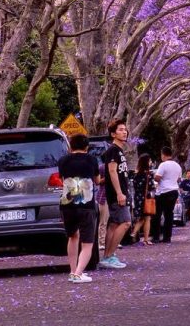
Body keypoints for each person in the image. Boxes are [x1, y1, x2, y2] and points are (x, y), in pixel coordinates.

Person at [58, 134, 101, 284]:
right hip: (86, 204)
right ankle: (78, 273)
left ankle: (72, 270)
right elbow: (96, 180)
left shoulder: (63, 160)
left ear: (70, 145)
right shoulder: (91, 159)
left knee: (72, 236)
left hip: (67, 204)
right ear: (86, 146)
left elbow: (62, 179)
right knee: (87, 242)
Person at [101, 118, 131, 268]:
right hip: (117, 194)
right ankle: (109, 256)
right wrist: (120, 193)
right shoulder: (113, 150)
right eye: (120, 130)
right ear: (113, 134)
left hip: (120, 192)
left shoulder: (119, 151)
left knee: (113, 225)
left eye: (125, 129)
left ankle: (107, 257)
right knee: (125, 223)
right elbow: (112, 171)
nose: (124, 132)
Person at [152, 145, 182, 243]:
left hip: (163, 192)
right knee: (169, 215)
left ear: (163, 155)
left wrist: (153, 176)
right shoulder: (177, 166)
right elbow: (179, 179)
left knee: (157, 215)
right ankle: (167, 237)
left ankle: (156, 237)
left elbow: (157, 178)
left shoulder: (163, 165)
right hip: (174, 191)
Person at [130, 153, 156, 245]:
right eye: (150, 161)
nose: (151, 162)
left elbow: (134, 186)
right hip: (147, 198)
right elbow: (152, 186)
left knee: (141, 218)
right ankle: (144, 238)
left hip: (138, 197)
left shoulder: (136, 174)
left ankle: (134, 233)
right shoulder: (149, 174)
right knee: (147, 218)